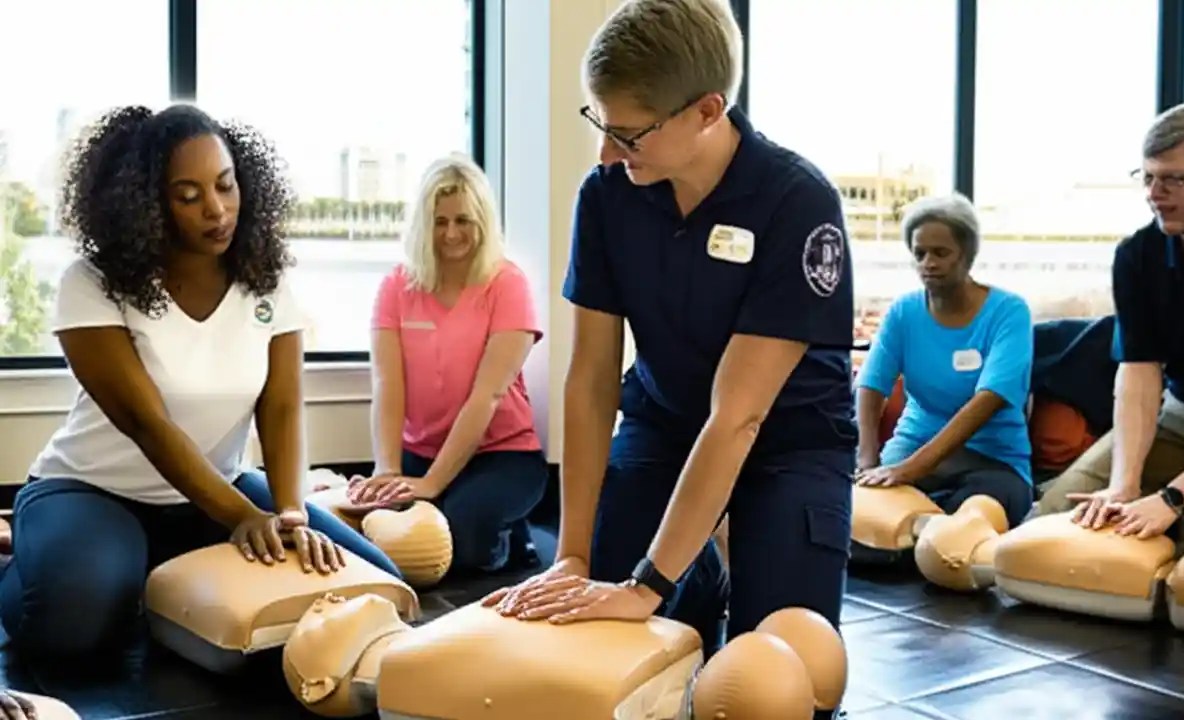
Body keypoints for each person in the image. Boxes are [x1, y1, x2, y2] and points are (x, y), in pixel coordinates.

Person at [484, 0, 856, 689]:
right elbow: (592, 378)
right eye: (600, 122)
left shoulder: (798, 202)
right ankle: (696, 570)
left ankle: (691, 570)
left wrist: (649, 584)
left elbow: (739, 416)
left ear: (708, 111)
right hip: (664, 424)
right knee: (593, 616)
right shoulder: (608, 195)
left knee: (774, 674)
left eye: (628, 134)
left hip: (790, 441)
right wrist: (573, 554)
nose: (605, 153)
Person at [0, 104, 403, 661]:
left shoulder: (265, 280)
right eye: (188, 196)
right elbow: (147, 422)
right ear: (147, 205)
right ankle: (29, 550)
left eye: (225, 185)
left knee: (374, 582)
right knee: (76, 624)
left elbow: (282, 408)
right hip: (93, 491)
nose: (216, 210)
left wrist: (288, 515)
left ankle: (150, 572)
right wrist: (242, 518)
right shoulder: (92, 283)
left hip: (218, 491)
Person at [1033, 104, 1184, 592]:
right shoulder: (1137, 255)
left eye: (1172, 180)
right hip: (1177, 414)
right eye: (1146, 178)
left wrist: (1170, 500)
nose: (1153, 194)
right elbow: (1140, 373)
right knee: (1064, 512)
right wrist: (1125, 483)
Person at [345, 154, 547, 573]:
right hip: (419, 451)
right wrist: (387, 471)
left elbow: (486, 396)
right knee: (378, 536)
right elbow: (388, 384)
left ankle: (515, 537)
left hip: (501, 455)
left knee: (456, 540)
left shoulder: (508, 284)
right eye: (440, 221)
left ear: (482, 223)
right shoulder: (397, 286)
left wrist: (432, 484)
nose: (451, 234)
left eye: (463, 221)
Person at [854, 193, 1034, 527]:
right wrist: (867, 459)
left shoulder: (1009, 312)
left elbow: (988, 400)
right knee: (869, 524)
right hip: (910, 448)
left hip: (992, 462)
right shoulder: (904, 312)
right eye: (919, 253)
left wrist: (912, 469)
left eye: (941, 253)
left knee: (961, 531)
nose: (928, 263)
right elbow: (870, 385)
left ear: (966, 255)